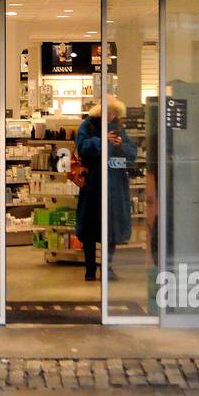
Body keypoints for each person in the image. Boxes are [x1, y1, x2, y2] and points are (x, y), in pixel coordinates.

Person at [75, 95, 138, 282]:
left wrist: (122, 146)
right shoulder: (88, 125)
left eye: (114, 112)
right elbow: (81, 147)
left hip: (115, 184)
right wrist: (101, 141)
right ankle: (90, 269)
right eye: (109, 112)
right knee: (90, 226)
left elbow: (132, 152)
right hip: (93, 183)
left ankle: (107, 268)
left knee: (112, 227)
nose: (111, 115)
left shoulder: (119, 127)